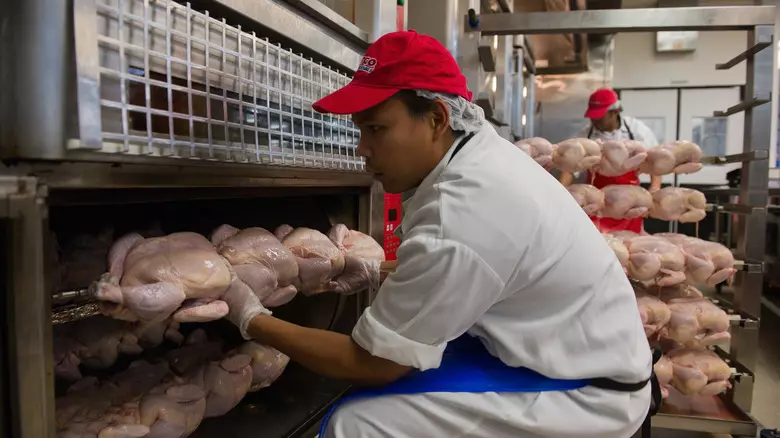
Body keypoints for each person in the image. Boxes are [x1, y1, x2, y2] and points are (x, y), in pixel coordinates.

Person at [222, 31, 653, 438]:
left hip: (586, 395)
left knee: (355, 424)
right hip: (562, 355)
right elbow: (466, 267)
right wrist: (376, 270)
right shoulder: (477, 156)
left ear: (436, 118)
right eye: (360, 129)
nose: (361, 148)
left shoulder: (465, 210)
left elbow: (373, 364)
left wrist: (251, 318)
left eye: (376, 129)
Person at [559, 88, 663, 233]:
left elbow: (655, 163)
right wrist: (559, 192)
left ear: (614, 112)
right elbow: (569, 169)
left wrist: (655, 189)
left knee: (629, 245)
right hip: (598, 202)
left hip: (630, 200)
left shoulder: (637, 130)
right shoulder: (586, 134)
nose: (594, 120)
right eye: (592, 116)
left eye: (599, 116)